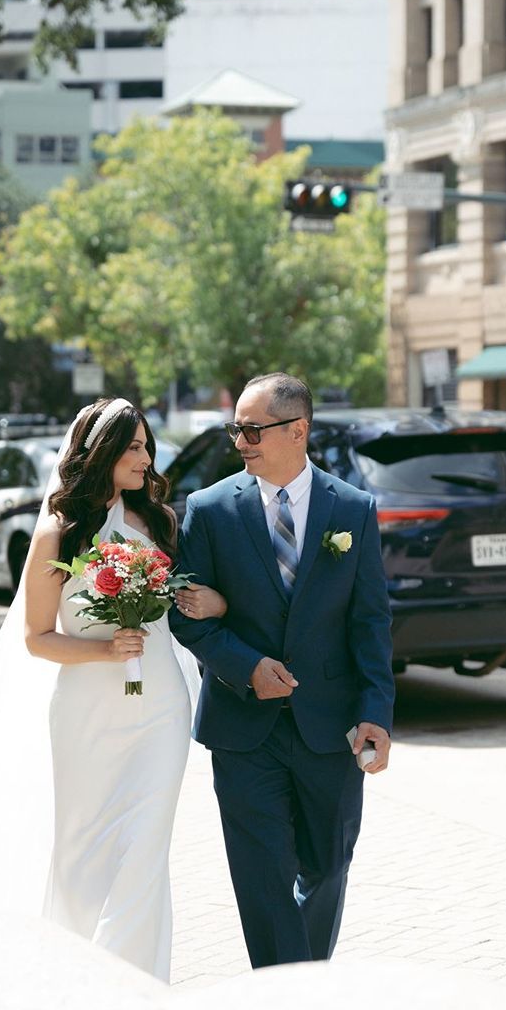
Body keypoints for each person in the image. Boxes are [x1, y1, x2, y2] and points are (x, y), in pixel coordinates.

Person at [0, 398, 224, 981]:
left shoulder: (159, 522)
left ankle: (137, 985)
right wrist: (105, 650)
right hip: (85, 713)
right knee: (80, 851)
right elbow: (36, 638)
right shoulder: (58, 534)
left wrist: (215, 603)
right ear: (101, 454)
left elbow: (190, 602)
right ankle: (72, 976)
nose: (145, 458)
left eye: (147, 447)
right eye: (133, 447)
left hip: (161, 708)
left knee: (145, 851)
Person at [170, 372, 395, 970]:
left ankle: (301, 983)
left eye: (252, 430)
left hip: (332, 728)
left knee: (328, 867)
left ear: (298, 430)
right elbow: (186, 616)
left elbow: (370, 624)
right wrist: (247, 668)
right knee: (262, 876)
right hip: (244, 729)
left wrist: (376, 712)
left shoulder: (354, 510)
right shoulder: (210, 510)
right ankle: (285, 1000)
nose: (239, 441)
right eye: (235, 429)